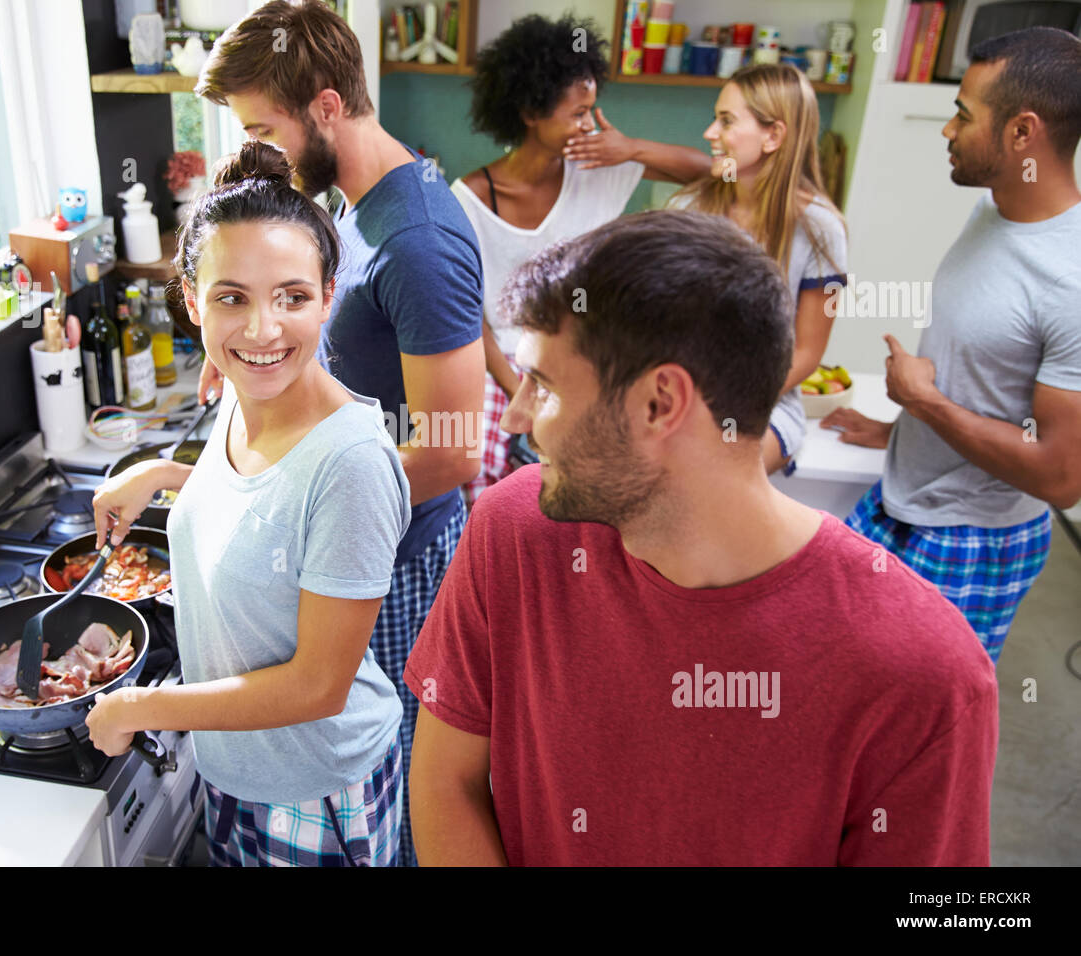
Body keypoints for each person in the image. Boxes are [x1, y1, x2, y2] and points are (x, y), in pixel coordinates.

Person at [404, 211, 998, 866]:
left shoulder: (924, 674)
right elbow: (446, 780)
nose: (516, 419)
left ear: (661, 403)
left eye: (542, 387)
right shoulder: (515, 530)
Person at [193, 0, 484, 866]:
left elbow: (451, 450)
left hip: (394, 562)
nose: (258, 151)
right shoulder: (357, 202)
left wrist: (282, 498)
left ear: (325, 107)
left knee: (371, 792)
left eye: (264, 129)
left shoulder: (417, 239)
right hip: (349, 547)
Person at [85, 141, 409, 867]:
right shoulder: (246, 383)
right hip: (235, 768)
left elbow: (318, 686)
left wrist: (141, 708)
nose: (263, 329)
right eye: (232, 297)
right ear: (193, 303)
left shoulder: (352, 462)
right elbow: (260, 495)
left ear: (330, 296)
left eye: (292, 297)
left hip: (316, 795)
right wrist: (165, 474)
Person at [822, 27, 1081, 665]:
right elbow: (984, 374)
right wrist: (899, 427)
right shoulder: (993, 210)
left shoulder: (1070, 280)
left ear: (1022, 134)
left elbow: (1060, 475)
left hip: (970, 539)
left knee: (915, 734)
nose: (948, 130)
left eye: (963, 115)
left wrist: (925, 402)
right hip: (903, 499)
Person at [450, 12, 710, 504]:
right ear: (530, 113)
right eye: (577, 113)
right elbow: (471, 317)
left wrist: (630, 148)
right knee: (477, 473)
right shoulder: (470, 200)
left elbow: (716, 174)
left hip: (582, 354)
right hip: (498, 363)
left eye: (593, 109)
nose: (589, 123)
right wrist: (521, 388)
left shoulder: (598, 168)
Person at [570, 63, 847, 475]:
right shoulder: (689, 209)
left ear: (773, 136)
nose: (709, 133)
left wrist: (718, 403)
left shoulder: (821, 228)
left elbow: (807, 352)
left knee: (705, 478)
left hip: (762, 406)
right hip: (674, 397)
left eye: (726, 121)